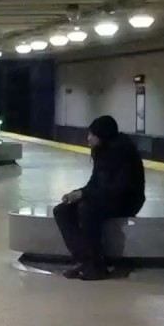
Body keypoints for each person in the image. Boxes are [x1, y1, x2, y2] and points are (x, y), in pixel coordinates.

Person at [53, 115, 145, 281]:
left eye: (92, 135)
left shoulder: (123, 152)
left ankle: (95, 266)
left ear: (102, 135)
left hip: (126, 200)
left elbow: (119, 188)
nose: (88, 139)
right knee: (61, 210)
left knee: (87, 209)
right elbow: (95, 183)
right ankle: (86, 260)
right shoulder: (101, 152)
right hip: (106, 196)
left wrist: (84, 195)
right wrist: (77, 193)